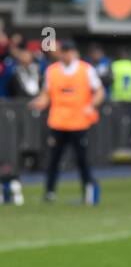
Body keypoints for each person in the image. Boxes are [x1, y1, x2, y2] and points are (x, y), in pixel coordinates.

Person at [28, 38, 103, 204]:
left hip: (78, 122)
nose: (67, 55)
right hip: (58, 122)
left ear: (75, 52)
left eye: (69, 52)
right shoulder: (52, 71)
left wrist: (91, 106)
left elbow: (98, 91)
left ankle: (87, 191)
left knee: (82, 160)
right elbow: (46, 94)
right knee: (54, 160)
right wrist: (40, 102)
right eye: (64, 51)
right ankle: (49, 192)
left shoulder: (86, 70)